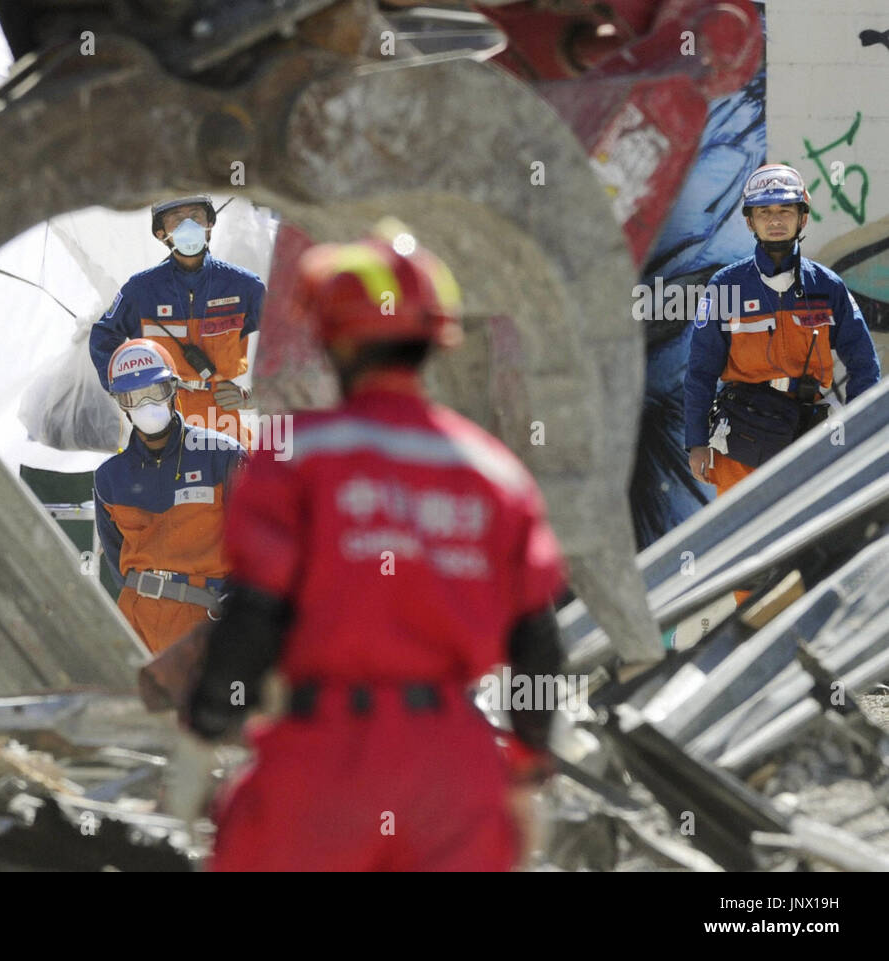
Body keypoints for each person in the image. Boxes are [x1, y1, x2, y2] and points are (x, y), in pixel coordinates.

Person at [185, 221, 568, 871]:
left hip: (322, 763)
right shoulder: (496, 475)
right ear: (434, 338)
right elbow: (538, 643)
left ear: (333, 339)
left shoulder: (294, 455)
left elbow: (254, 611)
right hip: (454, 769)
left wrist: (207, 722)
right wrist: (528, 766)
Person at [686, 163, 880, 497]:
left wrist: (861, 433)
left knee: (805, 538)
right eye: (764, 212)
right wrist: (696, 443)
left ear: (802, 217)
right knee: (739, 537)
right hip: (740, 439)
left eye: (785, 210)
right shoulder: (725, 286)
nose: (775, 220)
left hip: (806, 436)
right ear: (750, 221)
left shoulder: (827, 286)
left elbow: (865, 365)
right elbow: (701, 372)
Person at [94, 339, 246, 654]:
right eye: (134, 397)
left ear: (173, 389)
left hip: (206, 618)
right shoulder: (110, 478)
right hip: (138, 624)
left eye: (156, 391)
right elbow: (116, 560)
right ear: (121, 404)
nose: (147, 405)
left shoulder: (222, 455)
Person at [89, 196, 264, 447]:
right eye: (178, 220)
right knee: (163, 479)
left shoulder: (244, 287)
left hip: (223, 414)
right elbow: (103, 337)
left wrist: (253, 398)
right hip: (160, 413)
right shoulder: (141, 290)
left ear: (211, 223)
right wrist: (128, 392)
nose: (188, 226)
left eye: (196, 216)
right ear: (161, 233)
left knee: (231, 480)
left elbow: (292, 341)